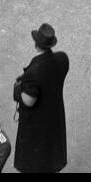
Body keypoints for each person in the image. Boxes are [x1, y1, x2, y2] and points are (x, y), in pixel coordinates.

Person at [14, 23, 70, 173]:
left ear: (36, 44)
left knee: (35, 163)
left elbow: (29, 100)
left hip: (36, 125)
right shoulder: (62, 59)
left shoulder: (33, 72)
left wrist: (18, 89)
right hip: (54, 119)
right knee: (51, 157)